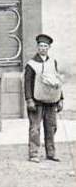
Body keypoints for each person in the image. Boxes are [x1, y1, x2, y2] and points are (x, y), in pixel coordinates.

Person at [24, 33, 64, 163]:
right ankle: (34, 154)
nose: (43, 48)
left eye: (45, 46)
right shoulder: (31, 64)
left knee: (51, 127)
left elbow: (57, 81)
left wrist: (61, 99)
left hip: (52, 101)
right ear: (37, 47)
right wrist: (29, 99)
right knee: (35, 128)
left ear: (49, 48)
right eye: (41, 46)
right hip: (36, 102)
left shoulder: (53, 62)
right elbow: (27, 83)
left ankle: (51, 153)